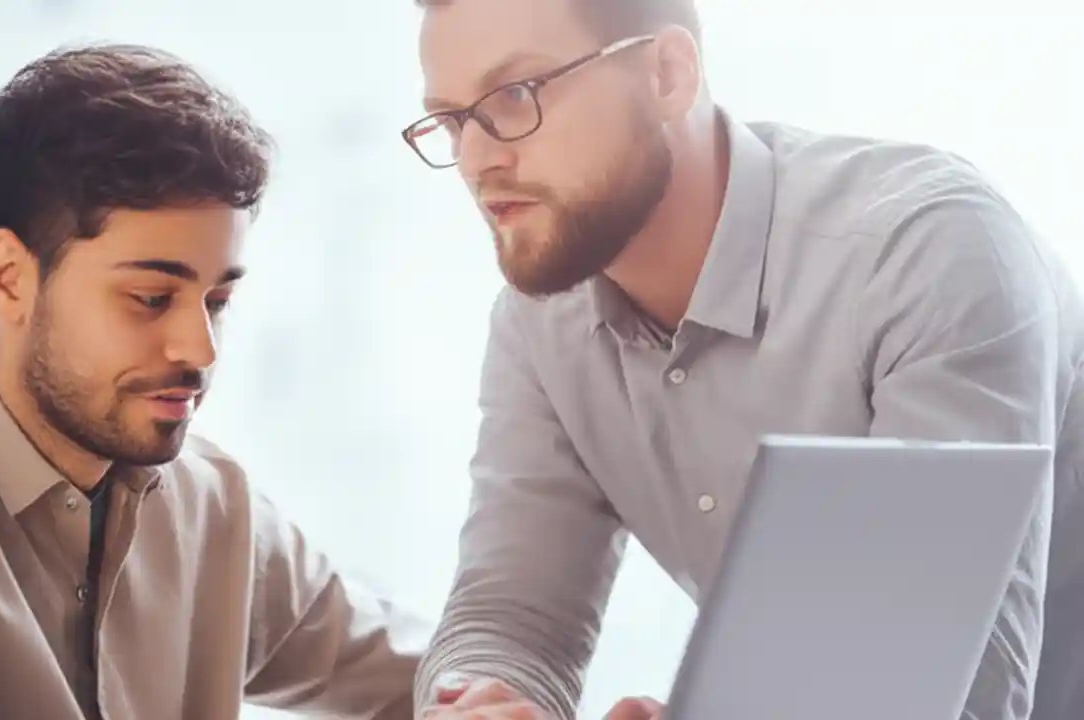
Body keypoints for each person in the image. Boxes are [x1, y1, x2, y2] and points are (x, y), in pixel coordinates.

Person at [399, 1, 1084, 718]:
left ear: (667, 73)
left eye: (516, 96)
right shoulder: (542, 326)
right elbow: (510, 615)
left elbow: (954, 692)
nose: (478, 161)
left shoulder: (926, 253)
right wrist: (477, 703)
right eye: (452, 120)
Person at [0, 44, 425, 719]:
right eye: (152, 299)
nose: (201, 348)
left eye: (217, 301)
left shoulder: (216, 507)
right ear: (7, 279)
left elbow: (427, 679)